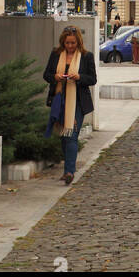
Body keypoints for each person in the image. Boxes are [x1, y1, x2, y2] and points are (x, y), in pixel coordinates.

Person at [43, 25, 97, 185]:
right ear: (63, 42)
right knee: (63, 137)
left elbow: (93, 79)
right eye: (67, 43)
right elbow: (46, 75)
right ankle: (67, 168)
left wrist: (79, 77)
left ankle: (69, 172)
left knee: (72, 135)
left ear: (78, 42)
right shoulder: (56, 54)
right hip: (59, 100)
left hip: (78, 102)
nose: (70, 46)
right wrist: (56, 77)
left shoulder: (87, 56)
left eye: (73, 43)